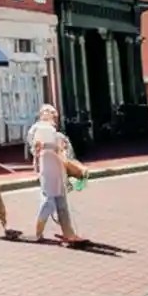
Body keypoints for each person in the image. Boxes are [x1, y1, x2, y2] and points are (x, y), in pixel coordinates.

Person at [30, 105, 85, 244]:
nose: (55, 116)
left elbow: (59, 151)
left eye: (55, 114)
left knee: (62, 203)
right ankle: (38, 231)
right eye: (52, 113)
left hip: (56, 170)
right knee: (48, 201)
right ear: (43, 114)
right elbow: (36, 149)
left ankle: (69, 233)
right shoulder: (39, 129)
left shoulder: (53, 132)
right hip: (48, 171)